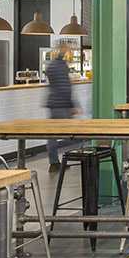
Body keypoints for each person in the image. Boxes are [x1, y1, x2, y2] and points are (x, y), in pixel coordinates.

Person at [45, 42, 77, 171]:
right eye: (69, 50)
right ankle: (71, 159)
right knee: (73, 134)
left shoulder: (51, 66)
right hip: (62, 105)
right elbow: (65, 87)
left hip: (52, 104)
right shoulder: (62, 66)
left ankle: (54, 163)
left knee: (52, 135)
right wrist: (72, 105)